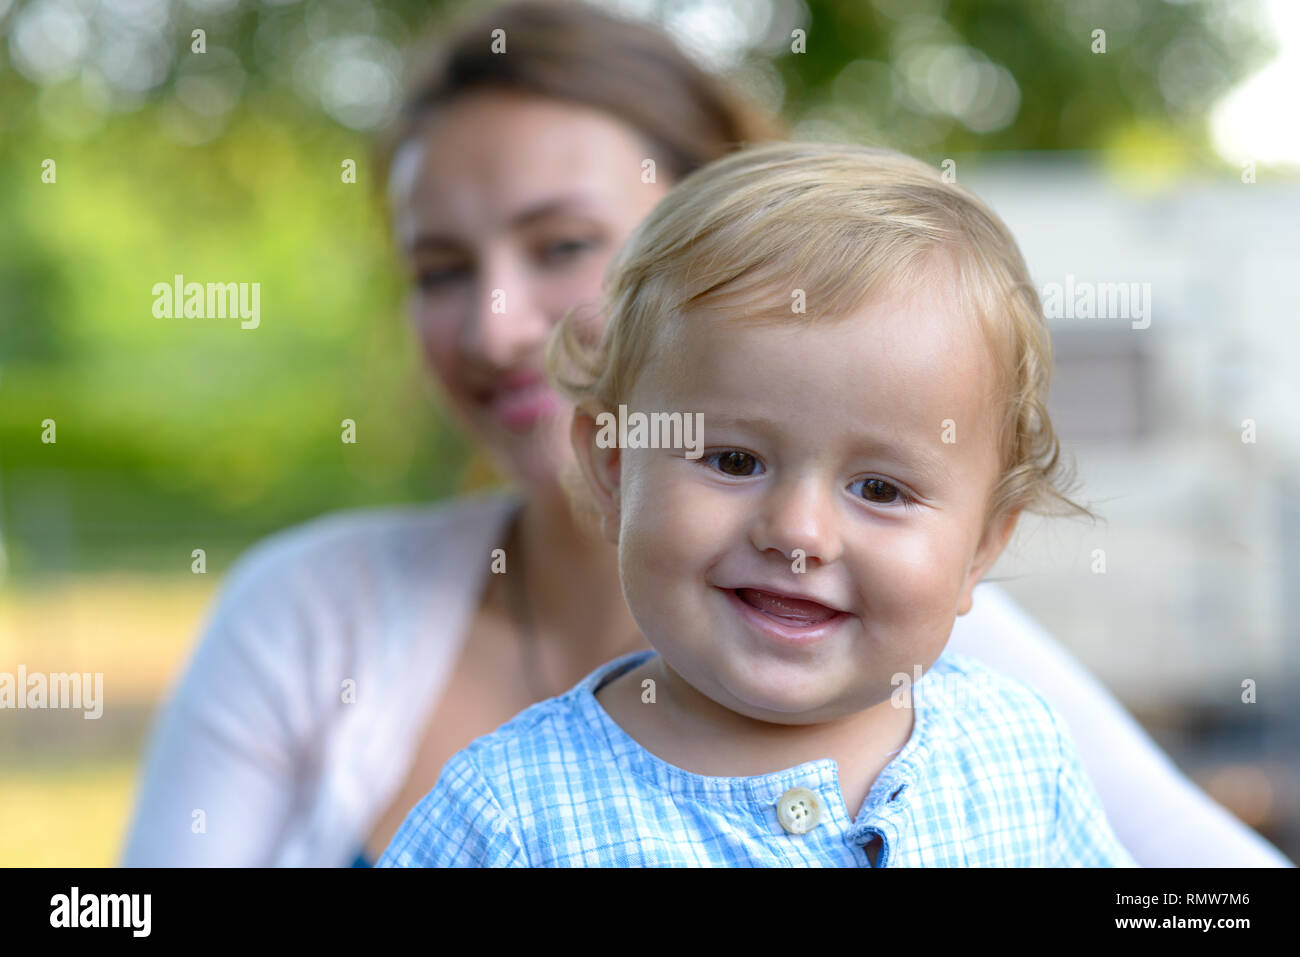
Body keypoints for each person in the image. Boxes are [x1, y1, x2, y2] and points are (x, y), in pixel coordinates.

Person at [121, 0, 1291, 867]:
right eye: (439, 268)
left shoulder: (984, 711)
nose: (495, 326)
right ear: (609, 456)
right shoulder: (375, 684)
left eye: (564, 245)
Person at [379, 141, 1137, 867]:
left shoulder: (1016, 754)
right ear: (614, 469)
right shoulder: (510, 815)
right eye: (734, 460)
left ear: (981, 547)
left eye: (880, 489)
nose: (799, 533)